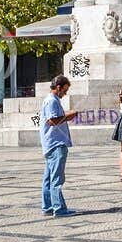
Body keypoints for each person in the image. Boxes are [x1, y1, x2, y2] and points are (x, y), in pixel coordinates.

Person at [40, 74, 77, 217]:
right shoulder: (51, 101)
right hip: (56, 144)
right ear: (58, 87)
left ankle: (48, 206)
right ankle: (59, 209)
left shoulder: (51, 100)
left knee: (49, 178)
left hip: (50, 144)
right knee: (56, 179)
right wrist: (69, 116)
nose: (65, 93)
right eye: (65, 90)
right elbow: (52, 121)